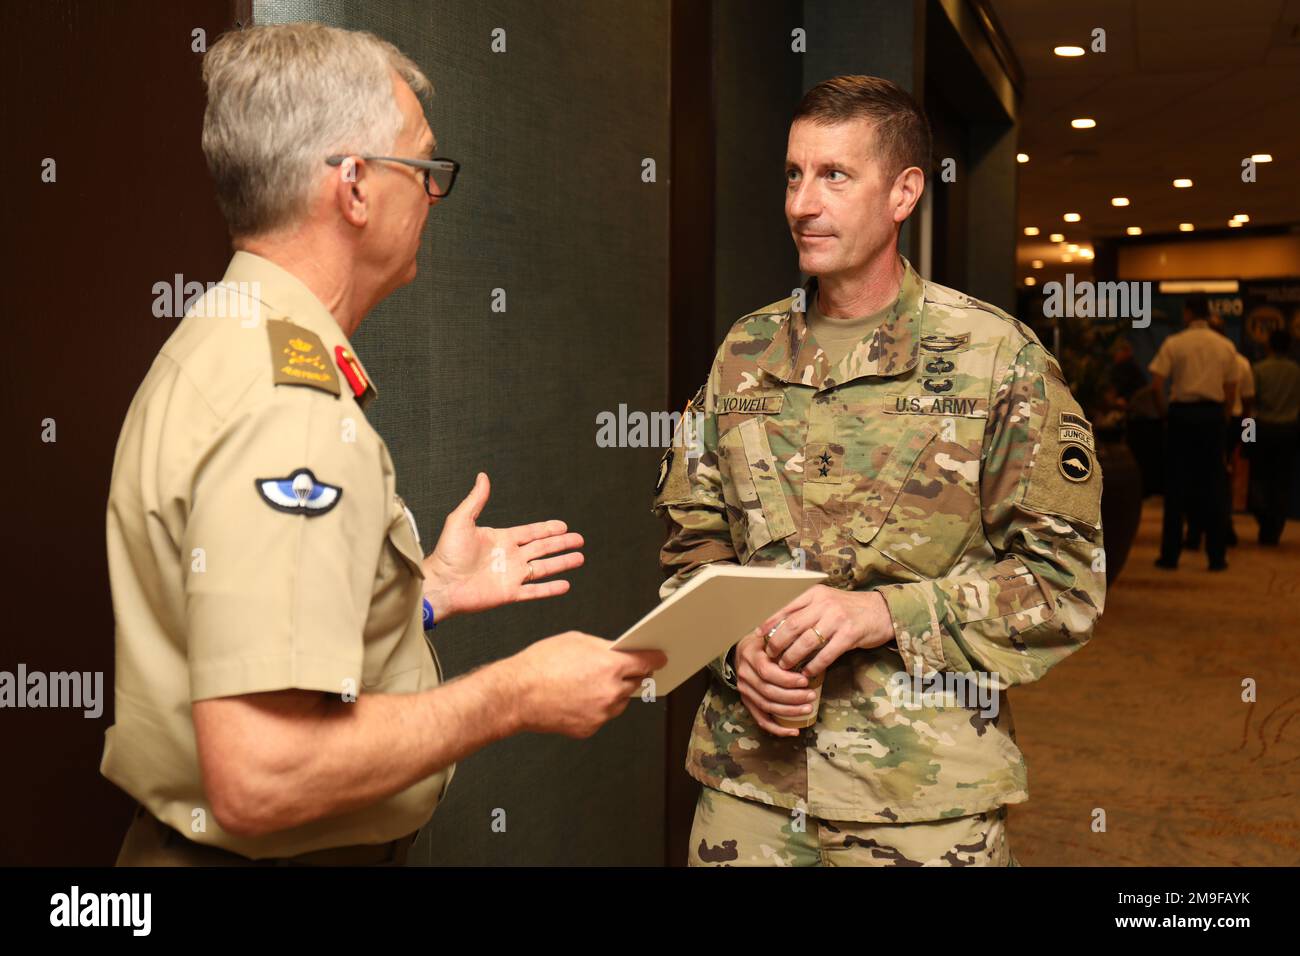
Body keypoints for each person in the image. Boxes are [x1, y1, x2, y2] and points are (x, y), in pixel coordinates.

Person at [102, 22, 664, 867]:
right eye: (424, 170)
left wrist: (423, 594)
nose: (433, 197)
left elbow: (246, 625)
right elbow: (262, 773)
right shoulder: (285, 406)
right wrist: (516, 694)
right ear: (355, 188)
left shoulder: (226, 338)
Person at [652, 75, 1105, 867]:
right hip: (748, 791)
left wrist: (884, 615)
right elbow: (694, 546)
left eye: (834, 175)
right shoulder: (746, 353)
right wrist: (737, 651)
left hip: (922, 803)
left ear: (903, 193)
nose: (801, 202)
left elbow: (1064, 587)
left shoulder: (996, 359)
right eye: (793, 174)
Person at [1147, 297, 1238, 570]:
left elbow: (1156, 385)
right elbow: (1231, 390)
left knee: (1176, 487)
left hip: (1181, 417)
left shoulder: (1174, 343)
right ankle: (1216, 556)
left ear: (1187, 313)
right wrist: (1222, 418)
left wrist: (1165, 413)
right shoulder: (1225, 345)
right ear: (1209, 315)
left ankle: (1170, 555)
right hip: (1212, 417)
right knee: (1214, 486)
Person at [1186, 315, 1254, 548]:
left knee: (1196, 477)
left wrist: (1247, 438)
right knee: (1222, 479)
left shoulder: (1195, 362)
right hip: (1231, 424)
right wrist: (1248, 438)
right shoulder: (1241, 362)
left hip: (1209, 422)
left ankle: (1196, 531)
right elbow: (1248, 406)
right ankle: (1223, 527)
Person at [1247, 329, 1300, 545]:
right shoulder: (1296, 371)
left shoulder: (1258, 369)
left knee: (1259, 478)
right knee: (1282, 481)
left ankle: (1264, 519)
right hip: (1289, 431)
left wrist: (1247, 437)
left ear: (1268, 345)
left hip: (1262, 431)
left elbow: (1250, 405)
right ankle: (1275, 527)